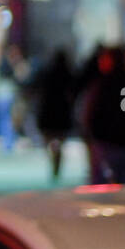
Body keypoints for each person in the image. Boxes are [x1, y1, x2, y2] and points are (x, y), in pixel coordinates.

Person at [81, 45, 125, 184]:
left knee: (103, 184)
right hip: (124, 142)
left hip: (109, 142)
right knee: (122, 182)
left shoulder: (106, 84)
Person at [35, 49, 75, 181]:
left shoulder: (47, 73)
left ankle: (55, 161)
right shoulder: (67, 74)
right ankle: (56, 161)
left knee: (51, 140)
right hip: (61, 113)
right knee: (58, 140)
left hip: (50, 113)